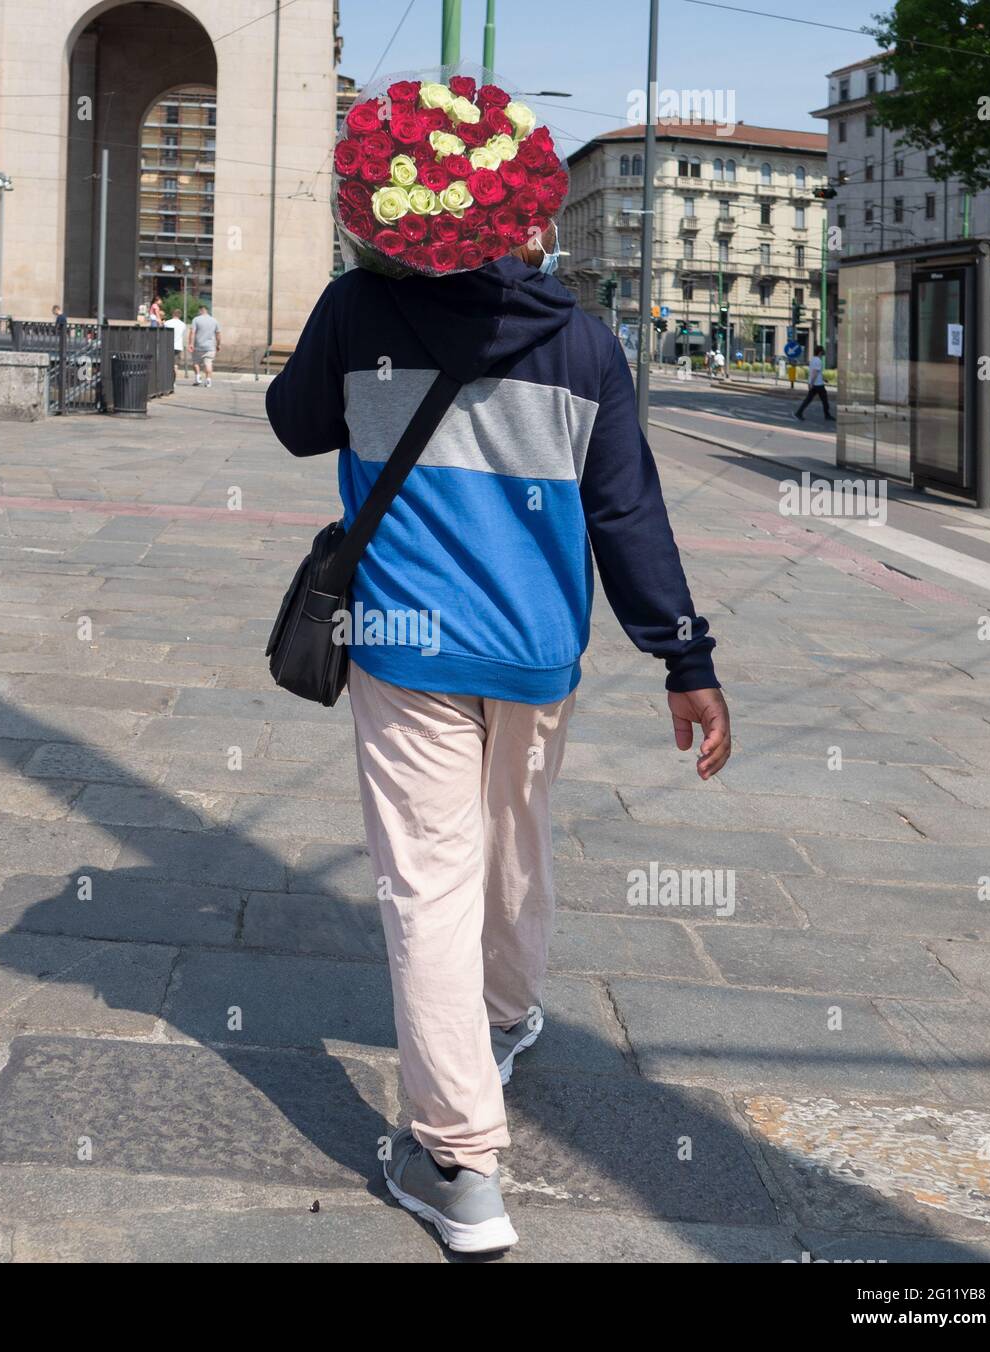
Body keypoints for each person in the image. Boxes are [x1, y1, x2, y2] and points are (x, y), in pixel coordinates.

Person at [266, 91, 729, 1255]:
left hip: (407, 647)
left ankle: (457, 1159)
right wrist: (685, 655)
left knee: (427, 880)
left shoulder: (357, 308)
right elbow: (626, 513)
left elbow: (293, 423)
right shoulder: (584, 343)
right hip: (535, 651)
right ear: (526, 215)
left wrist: (358, 286)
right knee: (514, 838)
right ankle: (508, 1017)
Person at [795, 345, 834, 420]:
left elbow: (816, 372)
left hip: (814, 383)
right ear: (820, 352)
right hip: (818, 385)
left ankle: (799, 413)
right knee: (824, 400)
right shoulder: (818, 361)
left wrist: (823, 379)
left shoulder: (813, 359)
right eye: (822, 351)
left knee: (808, 400)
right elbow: (815, 372)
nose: (823, 353)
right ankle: (827, 415)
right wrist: (812, 384)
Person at [189, 304, 220, 387]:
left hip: (198, 346)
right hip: (210, 347)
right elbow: (218, 334)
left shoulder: (196, 319)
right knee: (208, 363)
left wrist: (191, 344)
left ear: (201, 310)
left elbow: (192, 332)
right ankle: (208, 380)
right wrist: (218, 344)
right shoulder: (214, 320)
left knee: (196, 362)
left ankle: (198, 377)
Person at [166, 306, 187, 377]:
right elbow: (183, 335)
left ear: (173, 314)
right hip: (178, 346)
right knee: (175, 364)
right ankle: (174, 380)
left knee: (168, 363)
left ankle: (169, 379)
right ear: (180, 315)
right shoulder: (183, 325)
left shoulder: (167, 323)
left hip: (168, 345)